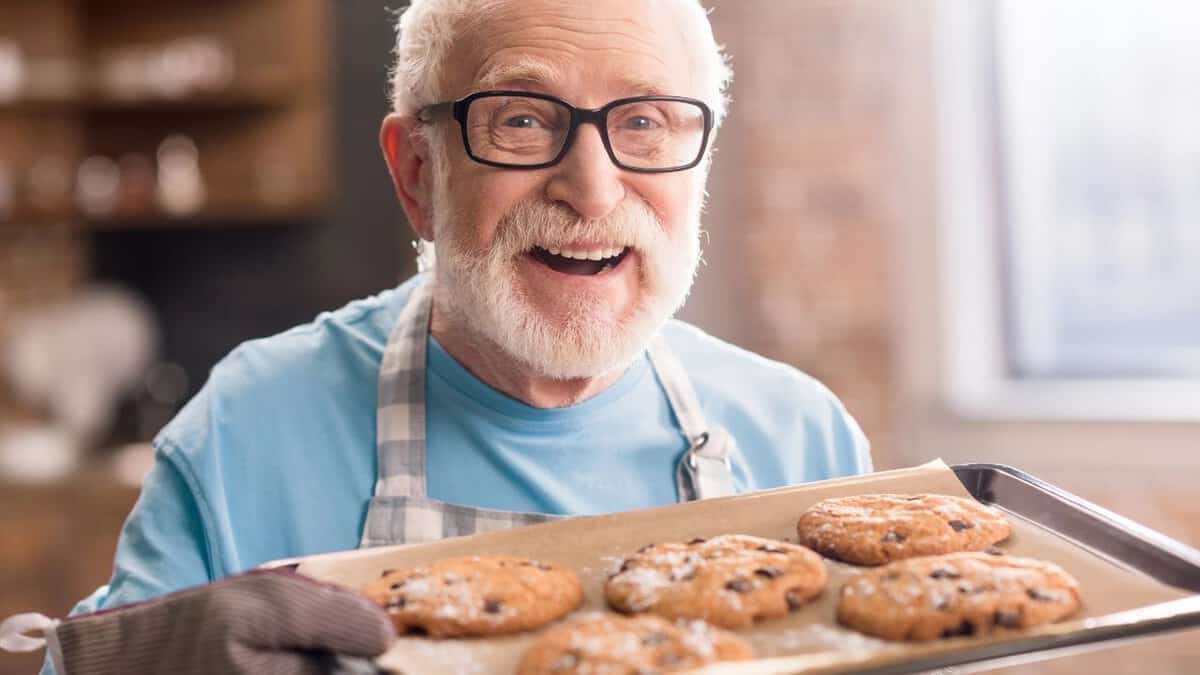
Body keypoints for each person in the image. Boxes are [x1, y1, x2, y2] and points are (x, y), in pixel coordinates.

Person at [16, 0, 871, 671]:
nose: (594, 189)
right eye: (523, 120)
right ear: (418, 172)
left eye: (645, 122)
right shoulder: (248, 427)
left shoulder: (804, 438)